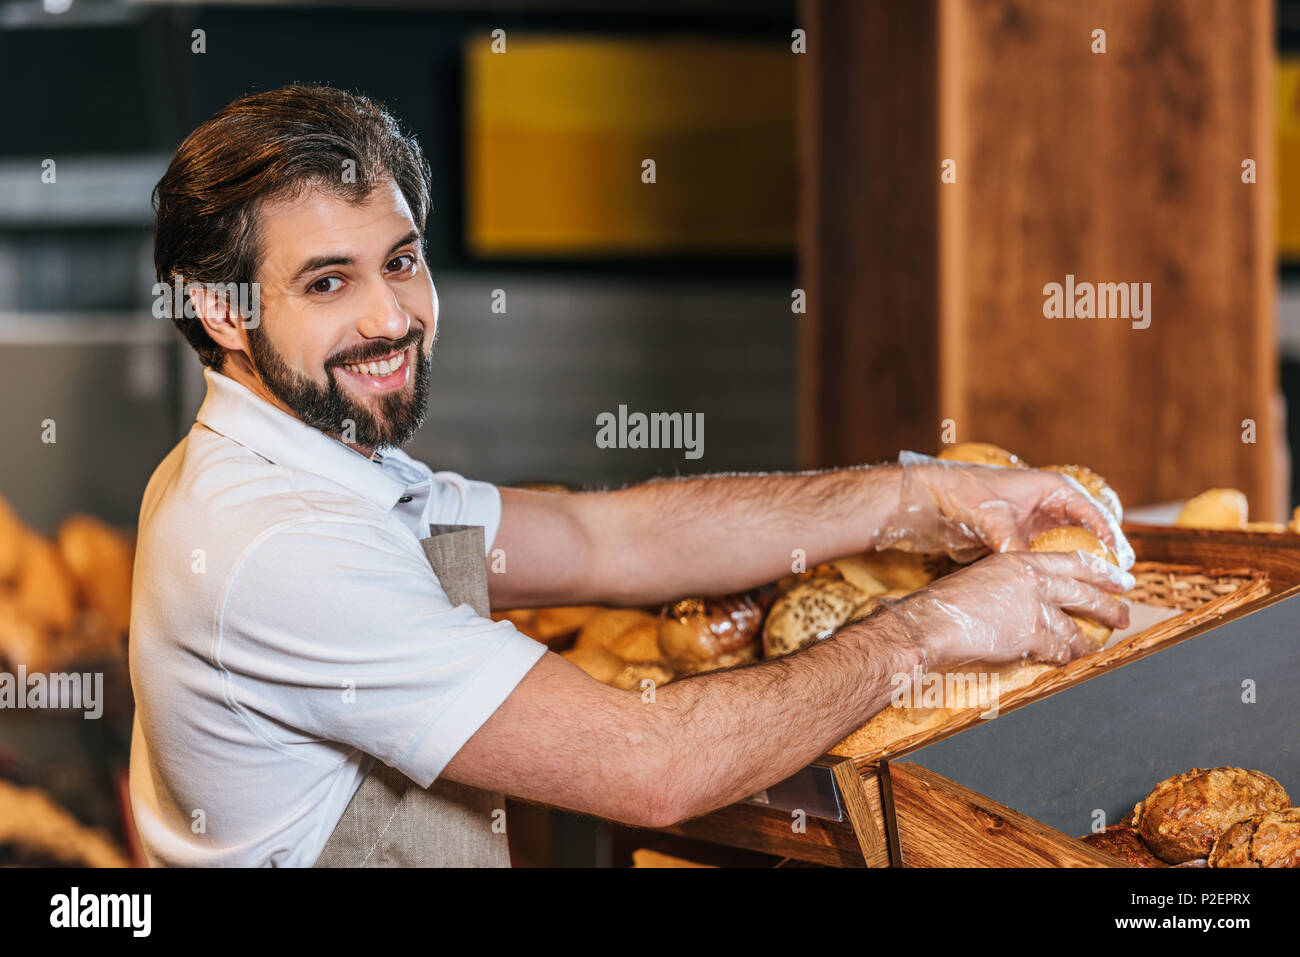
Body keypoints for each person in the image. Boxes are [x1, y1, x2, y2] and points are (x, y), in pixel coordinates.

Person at [129, 85, 1133, 866]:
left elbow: (611, 538)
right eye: (328, 282)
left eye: (400, 260)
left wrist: (922, 496)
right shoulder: (285, 541)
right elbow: (655, 767)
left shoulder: (305, 465)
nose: (392, 318)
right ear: (222, 312)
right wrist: (941, 625)